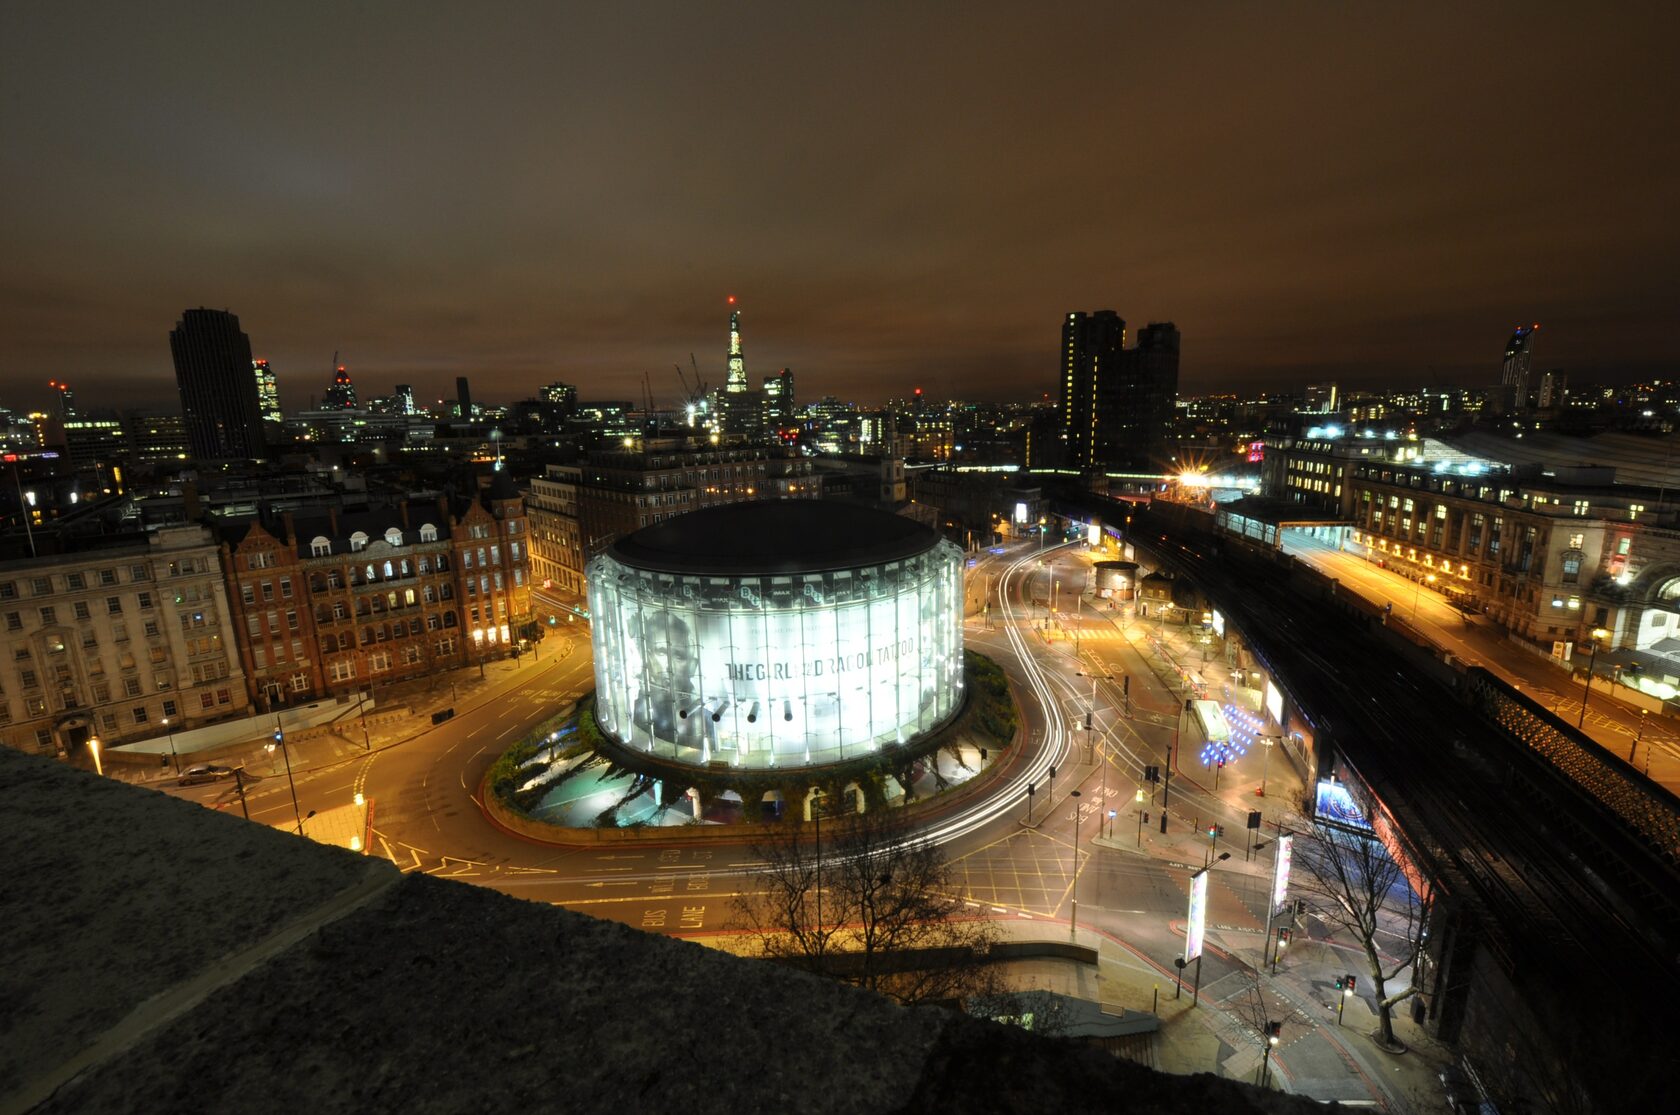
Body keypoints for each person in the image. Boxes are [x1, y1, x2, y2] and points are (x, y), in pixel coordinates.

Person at [631, 610, 712, 751]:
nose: (669, 665)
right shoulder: (637, 710)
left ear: (692, 666)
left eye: (679, 656)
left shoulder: (706, 721)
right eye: (661, 652)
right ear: (648, 656)